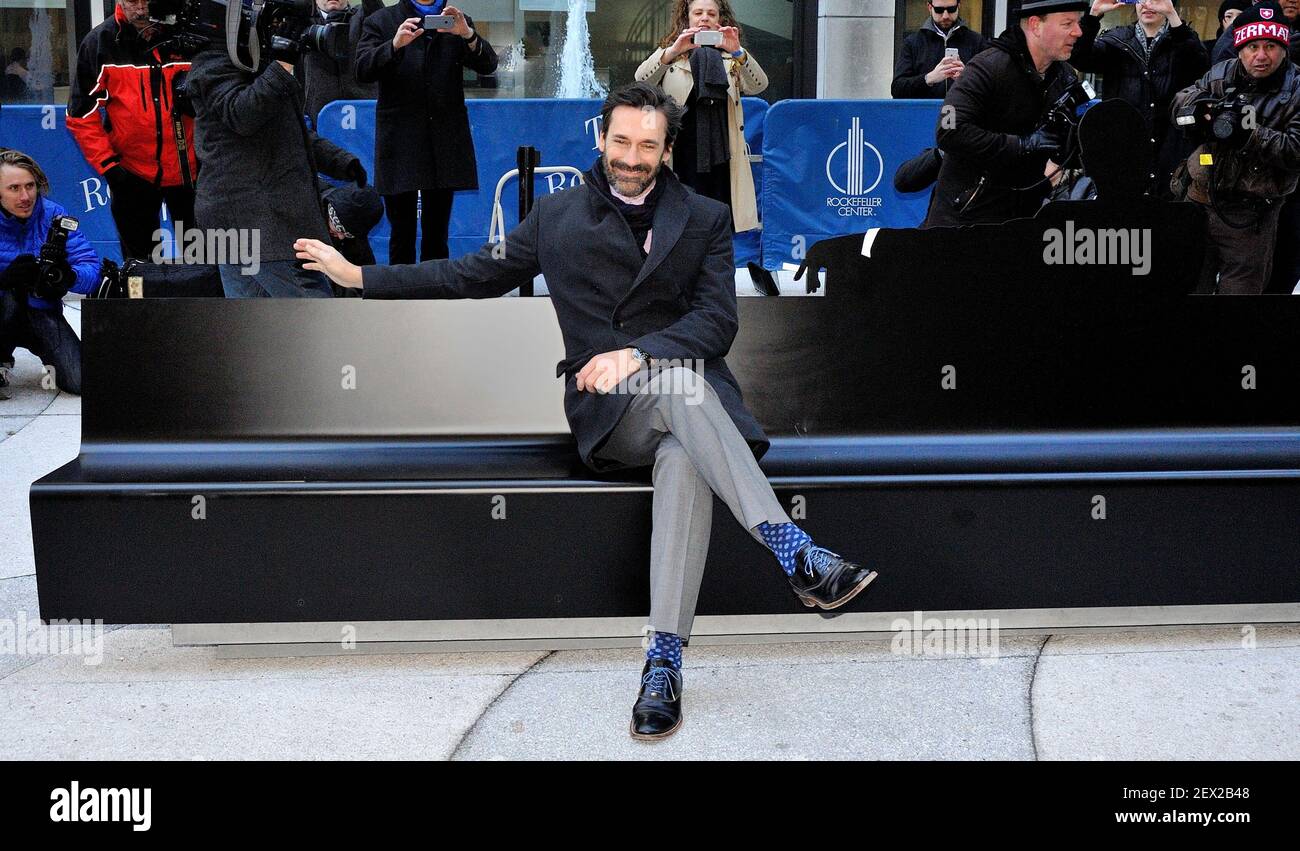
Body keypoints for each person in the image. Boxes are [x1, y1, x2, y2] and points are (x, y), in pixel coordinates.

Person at [294, 83, 878, 741]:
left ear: (668, 149)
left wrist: (639, 352)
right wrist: (360, 277)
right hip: (610, 417)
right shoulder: (556, 215)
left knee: (684, 448)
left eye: (648, 145)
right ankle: (792, 547)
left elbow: (717, 324)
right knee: (680, 396)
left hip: (689, 410)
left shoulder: (706, 218)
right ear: (600, 137)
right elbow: (468, 274)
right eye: (621, 141)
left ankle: (663, 662)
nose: (632, 156)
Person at [186, 41, 366, 297]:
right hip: (260, 226)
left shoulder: (259, 61)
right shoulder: (213, 58)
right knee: (320, 326)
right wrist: (281, 67)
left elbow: (290, 133)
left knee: (256, 333)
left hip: (258, 224)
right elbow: (242, 114)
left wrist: (340, 161)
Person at [923, 0, 1090, 228]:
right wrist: (1021, 145)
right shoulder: (985, 68)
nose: (1078, 32)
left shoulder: (1064, 77)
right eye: (1067, 23)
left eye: (1078, 23)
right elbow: (949, 128)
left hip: (1023, 218)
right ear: (1035, 25)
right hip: (965, 218)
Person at [1171, 0, 1300, 294]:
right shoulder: (1221, 73)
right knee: (1189, 291)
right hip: (1198, 203)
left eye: (1271, 46)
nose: (1261, 56)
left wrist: (1249, 135)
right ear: (1240, 48)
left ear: (1285, 47)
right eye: (1252, 47)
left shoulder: (1297, 88)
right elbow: (1179, 105)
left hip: (1251, 217)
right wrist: (1201, 108)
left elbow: (1296, 150)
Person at [355, 2, 497, 264]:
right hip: (400, 142)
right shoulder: (382, 20)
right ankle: (400, 296)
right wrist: (394, 45)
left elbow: (489, 64)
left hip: (444, 142)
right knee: (402, 232)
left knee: (437, 235)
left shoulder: (456, 20)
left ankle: (436, 297)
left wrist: (467, 35)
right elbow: (362, 69)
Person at [66, 0, 198, 261]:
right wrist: (111, 169)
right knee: (138, 270)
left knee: (204, 261)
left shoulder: (190, 34)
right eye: (131, 0)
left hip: (193, 171)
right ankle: (139, 301)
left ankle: (205, 302)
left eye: (146, 1)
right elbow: (81, 114)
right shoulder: (100, 42)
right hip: (133, 175)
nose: (139, 9)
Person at [636, 0, 768, 233]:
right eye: (698, 13)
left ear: (720, 19)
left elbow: (759, 85)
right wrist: (673, 50)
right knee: (680, 218)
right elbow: (642, 79)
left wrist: (738, 51)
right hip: (681, 151)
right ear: (686, 17)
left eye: (711, 13)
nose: (704, 18)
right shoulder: (673, 54)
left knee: (719, 218)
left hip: (723, 152)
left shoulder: (731, 57)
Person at [1069, 0, 1208, 197]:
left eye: (1156, 0)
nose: (1148, 5)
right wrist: (1093, 16)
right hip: (1124, 148)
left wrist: (1173, 18)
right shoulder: (1116, 40)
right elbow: (1078, 58)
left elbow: (1200, 66)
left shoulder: (1181, 39)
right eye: (1141, 0)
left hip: (1171, 147)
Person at [0, 151, 98, 396]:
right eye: (14, 188)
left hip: (41, 309)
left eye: (30, 186)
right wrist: (4, 280)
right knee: (9, 299)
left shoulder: (54, 215)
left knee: (81, 381)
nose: (25, 197)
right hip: (3, 310)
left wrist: (68, 276)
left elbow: (91, 268)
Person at [296, 0, 381, 125]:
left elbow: (376, 9)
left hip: (366, 118)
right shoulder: (303, 22)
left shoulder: (365, 17)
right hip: (318, 120)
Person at [892, 1, 991, 100]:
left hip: (965, 112)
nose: (945, 16)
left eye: (951, 9)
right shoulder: (913, 43)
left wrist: (967, 78)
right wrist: (929, 78)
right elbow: (897, 89)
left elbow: (992, 87)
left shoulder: (977, 41)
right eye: (939, 10)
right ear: (930, 7)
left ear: (959, 6)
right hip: (925, 112)